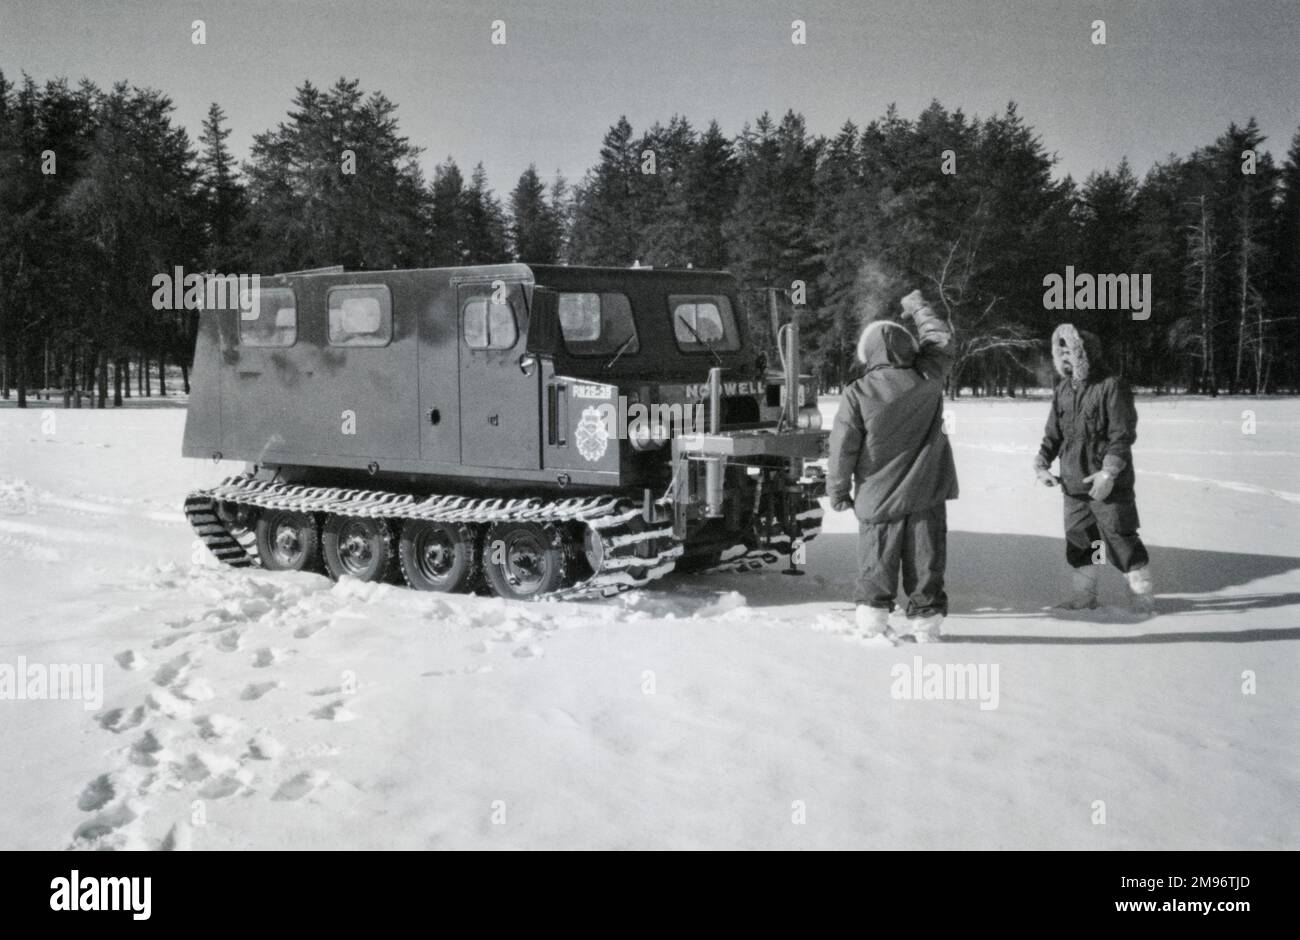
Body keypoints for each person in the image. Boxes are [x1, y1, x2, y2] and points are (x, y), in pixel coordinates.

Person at [827, 290, 958, 642]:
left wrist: (838, 491)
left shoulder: (858, 392)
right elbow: (941, 340)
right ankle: (927, 625)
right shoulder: (928, 378)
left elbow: (842, 448)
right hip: (926, 493)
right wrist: (918, 307)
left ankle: (871, 622)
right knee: (926, 561)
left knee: (876, 564)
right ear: (909, 349)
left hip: (877, 497)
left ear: (868, 353)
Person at [1033, 323, 1154, 615]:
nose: (1064, 357)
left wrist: (1109, 473)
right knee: (1084, 541)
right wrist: (1042, 463)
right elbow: (1053, 434)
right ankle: (1086, 598)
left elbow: (1121, 435)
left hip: (1107, 486)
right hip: (1074, 485)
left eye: (1070, 351)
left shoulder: (1111, 386)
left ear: (1084, 353)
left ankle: (1142, 602)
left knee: (1120, 538)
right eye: (1059, 351)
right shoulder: (1062, 389)